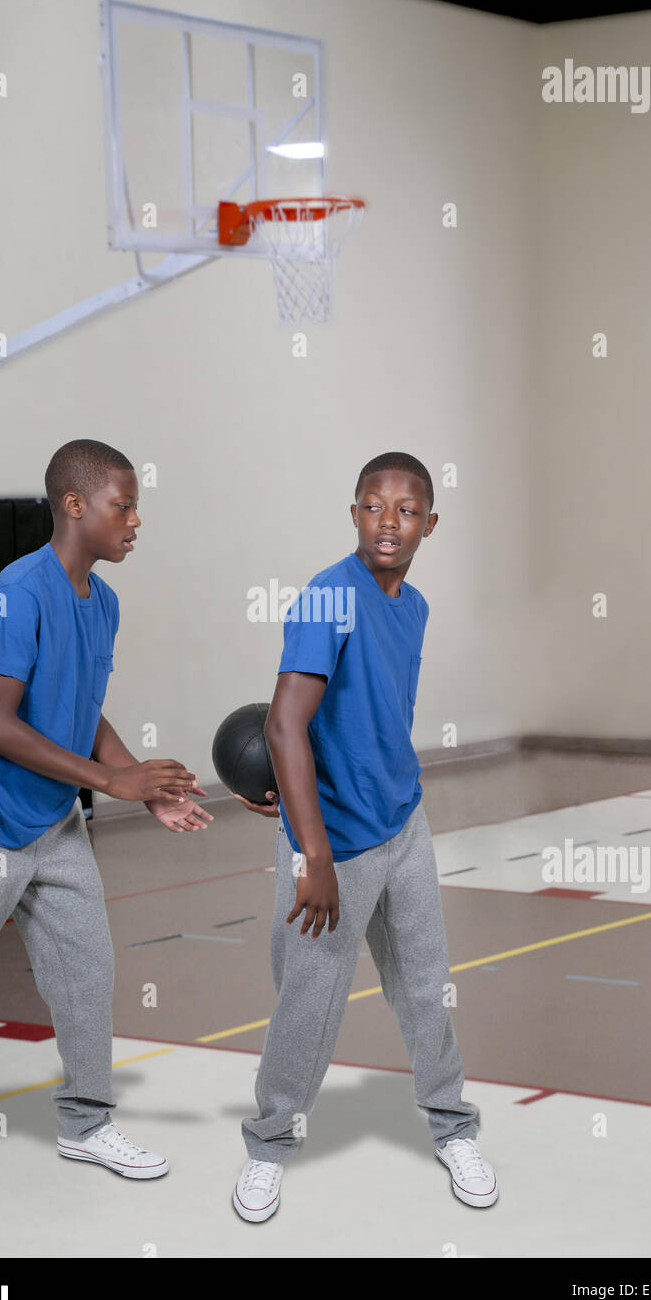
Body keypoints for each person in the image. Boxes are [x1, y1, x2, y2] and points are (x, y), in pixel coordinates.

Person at [0, 438, 211, 1219]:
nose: (136, 522)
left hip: (51, 821)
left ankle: (87, 1123)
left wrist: (141, 787)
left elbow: (79, 705)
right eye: (123, 505)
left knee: (86, 972)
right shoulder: (14, 594)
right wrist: (110, 781)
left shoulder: (100, 600)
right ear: (75, 505)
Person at [233, 451, 496, 1222]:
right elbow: (285, 723)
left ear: (429, 525)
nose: (390, 521)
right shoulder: (324, 600)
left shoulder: (413, 606)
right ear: (353, 514)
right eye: (374, 506)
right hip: (333, 844)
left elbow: (370, 722)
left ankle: (453, 1128)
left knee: (423, 989)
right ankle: (268, 1146)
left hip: (402, 822)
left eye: (407, 510)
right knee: (308, 1005)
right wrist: (312, 851)